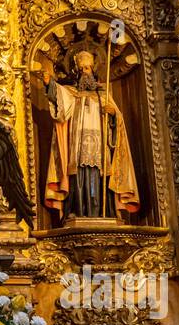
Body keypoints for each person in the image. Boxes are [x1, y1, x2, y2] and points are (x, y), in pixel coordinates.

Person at [41, 51, 139, 221]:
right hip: (78, 148)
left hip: (100, 149)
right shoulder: (72, 94)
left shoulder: (103, 95)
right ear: (77, 72)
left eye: (87, 68)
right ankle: (77, 212)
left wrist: (113, 115)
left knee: (99, 179)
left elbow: (118, 124)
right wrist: (49, 85)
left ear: (93, 70)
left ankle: (105, 212)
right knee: (78, 178)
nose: (85, 71)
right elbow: (59, 103)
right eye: (81, 69)